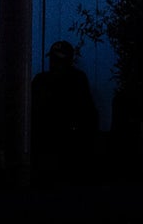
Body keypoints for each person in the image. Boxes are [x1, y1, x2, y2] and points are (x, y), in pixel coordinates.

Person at [30, 39, 99, 184]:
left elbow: (86, 113)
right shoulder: (42, 80)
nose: (54, 64)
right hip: (49, 143)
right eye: (54, 60)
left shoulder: (76, 80)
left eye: (59, 60)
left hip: (67, 143)